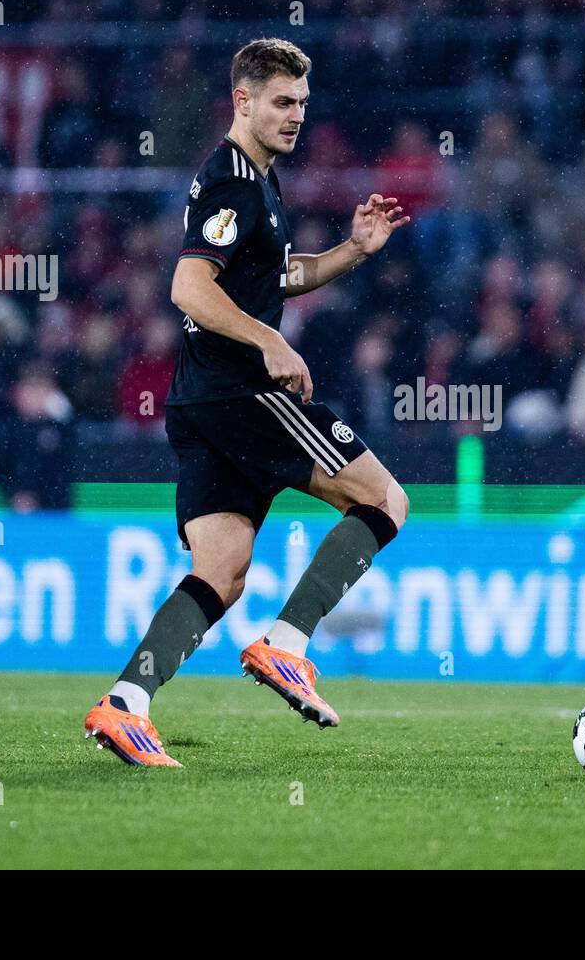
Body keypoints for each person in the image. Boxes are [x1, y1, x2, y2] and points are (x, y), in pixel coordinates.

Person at [85, 38, 411, 766]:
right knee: (386, 502)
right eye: (281, 102)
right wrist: (268, 341)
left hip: (199, 403)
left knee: (221, 573)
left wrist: (353, 251)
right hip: (245, 395)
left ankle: (125, 703)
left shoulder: (255, 181)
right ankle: (289, 645)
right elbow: (190, 288)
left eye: (301, 103)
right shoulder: (233, 182)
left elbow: (272, 275)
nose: (296, 116)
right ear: (243, 100)